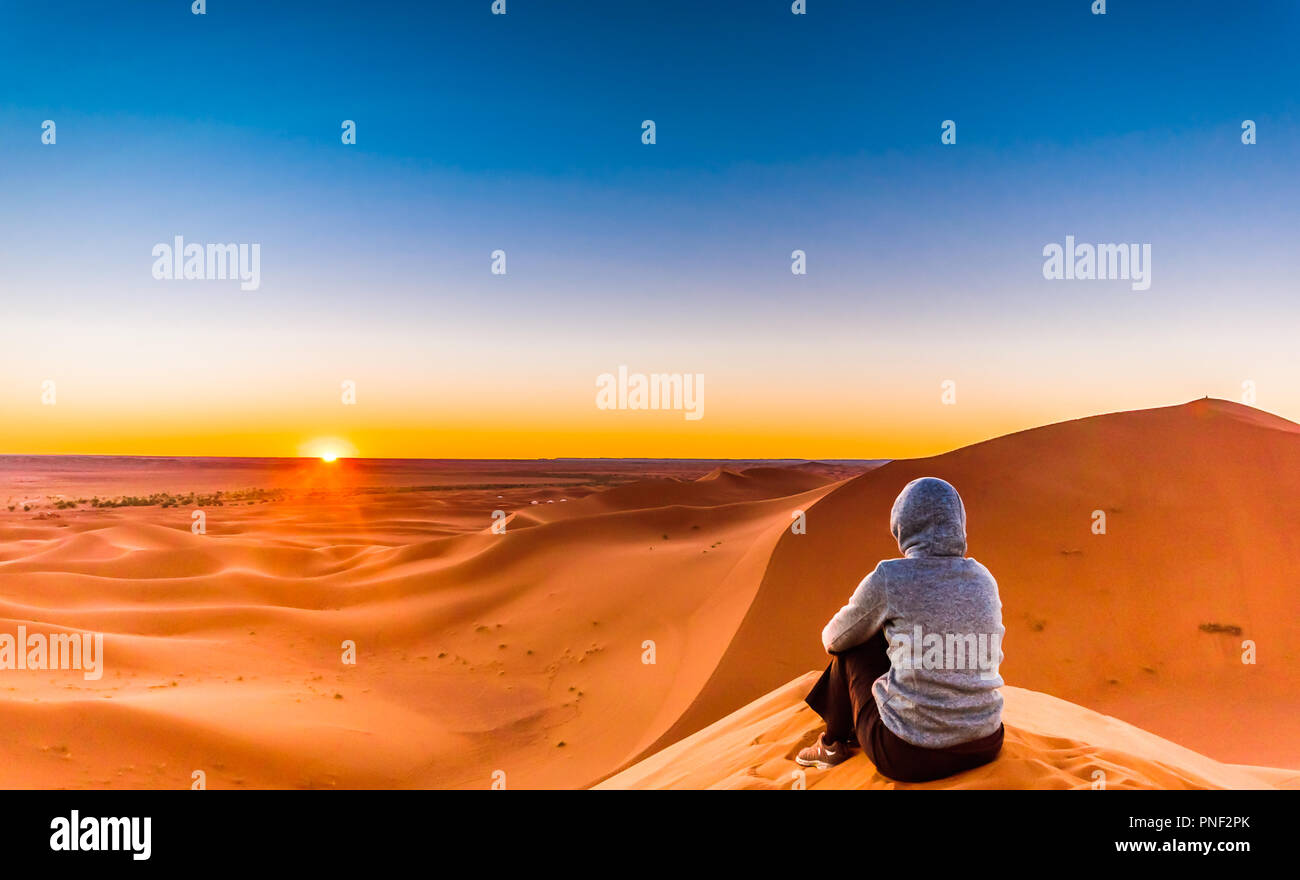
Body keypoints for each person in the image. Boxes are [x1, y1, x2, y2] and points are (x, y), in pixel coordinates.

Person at [796, 477, 1006, 782]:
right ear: (959, 523)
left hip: (909, 755)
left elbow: (834, 638)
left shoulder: (890, 577)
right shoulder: (984, 578)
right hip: (985, 742)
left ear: (902, 524)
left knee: (852, 646)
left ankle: (831, 744)